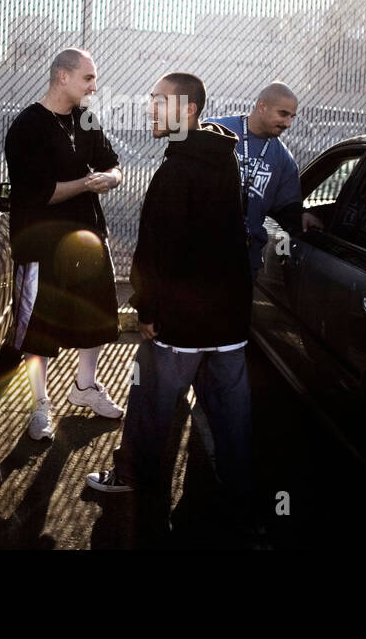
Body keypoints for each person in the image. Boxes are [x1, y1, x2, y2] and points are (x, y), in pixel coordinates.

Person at [85, 72, 254, 541]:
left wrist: (148, 310)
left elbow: (158, 251)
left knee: (150, 406)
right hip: (226, 324)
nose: (150, 108)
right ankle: (242, 506)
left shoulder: (176, 171)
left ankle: (131, 478)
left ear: (189, 111)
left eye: (161, 101)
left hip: (181, 324)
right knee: (231, 420)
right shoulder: (224, 158)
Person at [4, 48, 124, 441]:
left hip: (87, 240)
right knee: (39, 327)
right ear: (62, 76)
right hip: (42, 244)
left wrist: (112, 178)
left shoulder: (86, 118)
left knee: (97, 316)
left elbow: (113, 163)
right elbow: (41, 193)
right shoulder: (27, 126)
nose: (94, 86)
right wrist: (88, 183)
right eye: (88, 78)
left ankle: (85, 387)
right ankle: (39, 404)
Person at [205, 81, 315, 278]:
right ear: (262, 106)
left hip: (244, 260)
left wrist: (305, 215)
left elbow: (289, 210)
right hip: (201, 248)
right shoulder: (216, 129)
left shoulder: (284, 160)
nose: (288, 123)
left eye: (292, 117)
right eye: (283, 114)